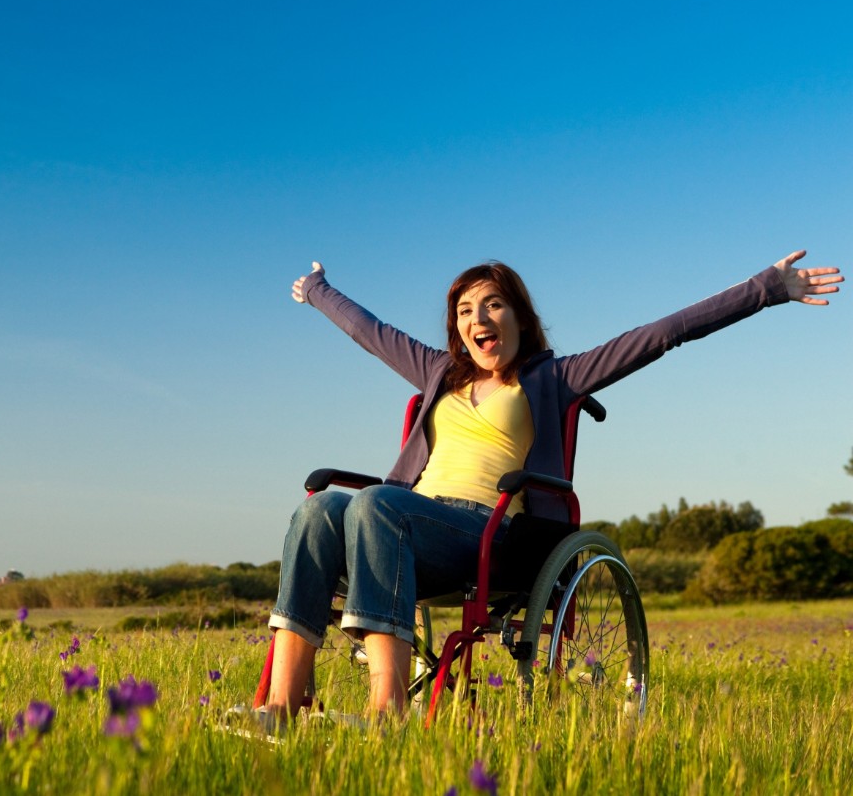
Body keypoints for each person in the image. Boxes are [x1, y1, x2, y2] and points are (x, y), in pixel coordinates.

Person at [263, 250, 842, 724]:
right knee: (319, 510)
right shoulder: (437, 371)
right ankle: (282, 706)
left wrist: (767, 288)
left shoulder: (554, 377)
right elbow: (369, 331)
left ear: (520, 317)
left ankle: (386, 712)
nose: (478, 318)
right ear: (457, 328)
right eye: (465, 310)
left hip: (487, 532)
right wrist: (317, 290)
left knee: (375, 504)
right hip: (401, 522)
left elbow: (662, 334)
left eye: (493, 304)